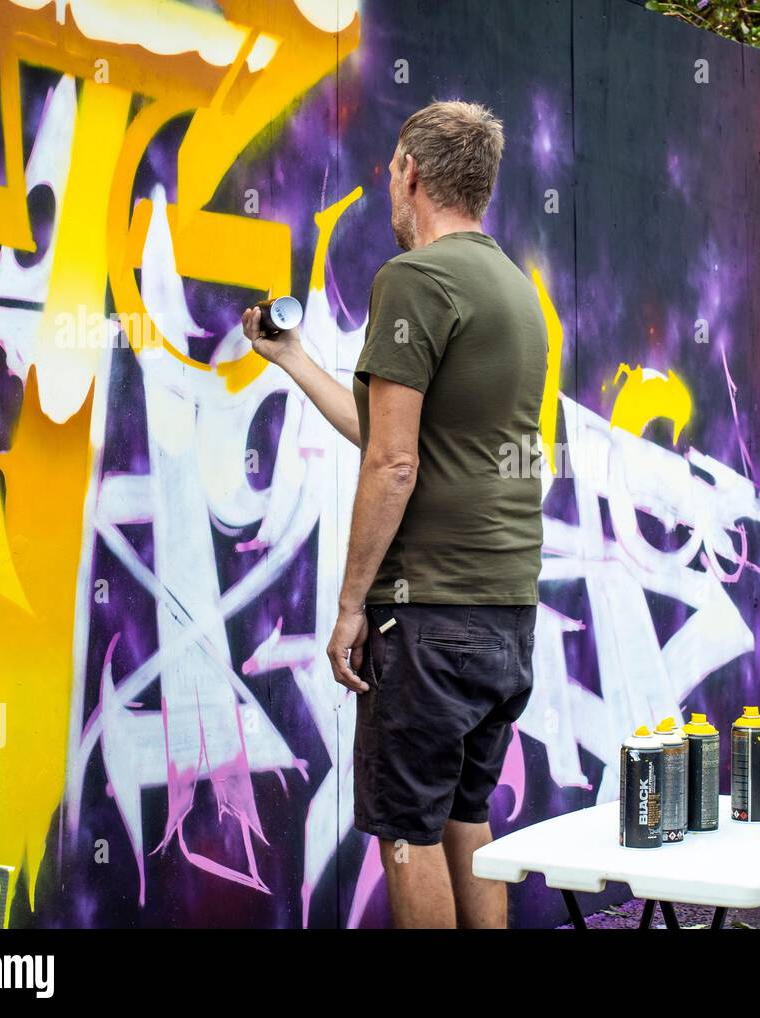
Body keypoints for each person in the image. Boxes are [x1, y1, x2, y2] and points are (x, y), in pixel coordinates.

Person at [244, 100, 546, 928]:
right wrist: (294, 358)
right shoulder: (514, 292)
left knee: (407, 833)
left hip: (427, 618)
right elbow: (393, 433)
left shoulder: (415, 279)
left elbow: (394, 463)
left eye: (389, 172)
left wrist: (350, 607)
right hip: (504, 612)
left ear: (411, 173)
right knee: (464, 818)